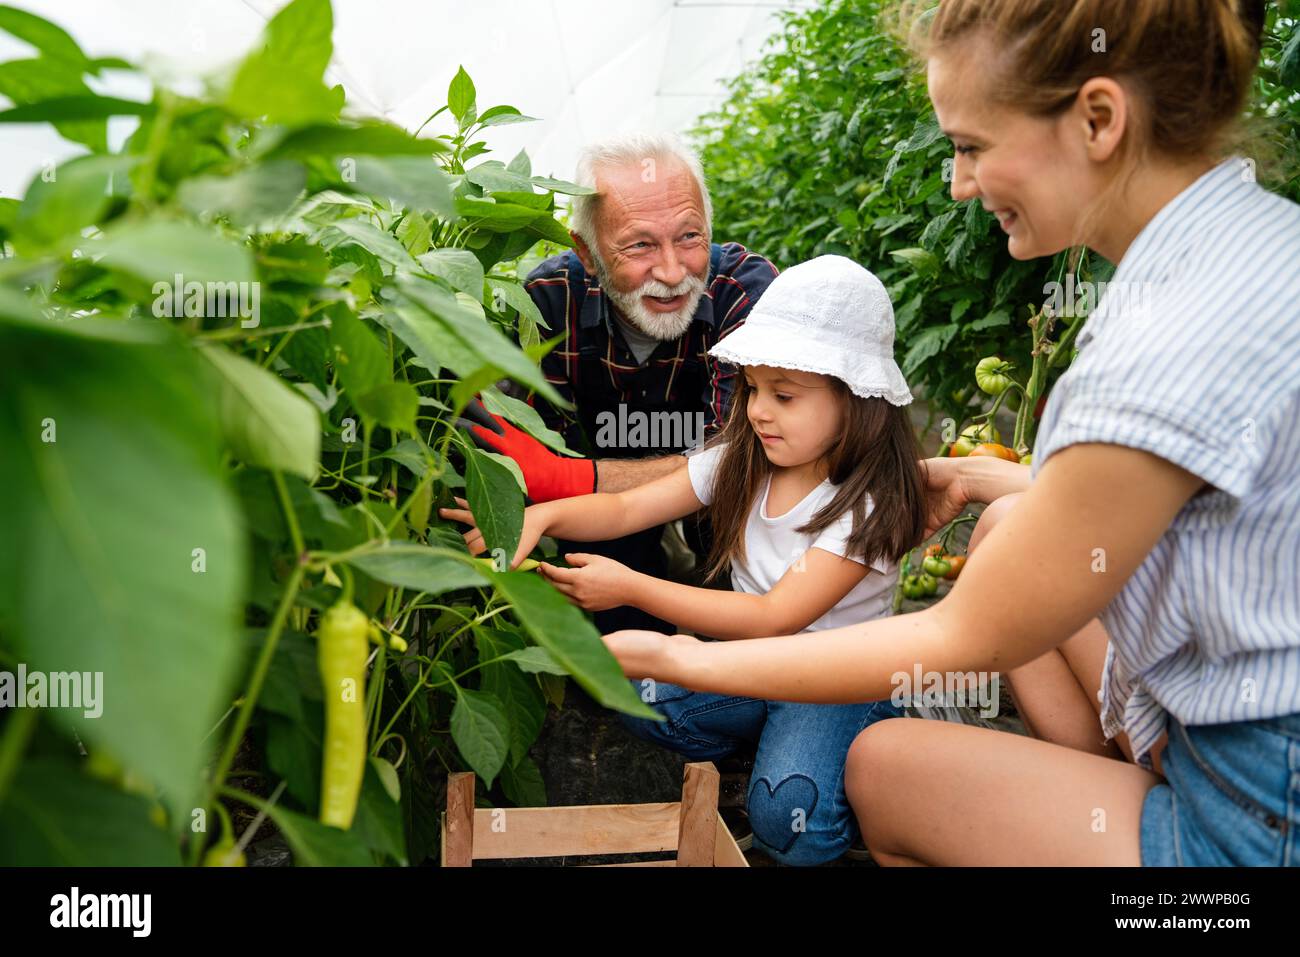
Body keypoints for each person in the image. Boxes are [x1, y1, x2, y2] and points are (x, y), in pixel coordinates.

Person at [599, 0, 1300, 866]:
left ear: (1099, 120)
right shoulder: (1262, 248)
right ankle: (1087, 780)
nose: (959, 183)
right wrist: (1000, 482)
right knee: (1011, 527)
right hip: (1258, 739)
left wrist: (682, 656)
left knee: (887, 766)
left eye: (971, 146)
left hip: (1249, 826)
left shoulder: (1156, 346)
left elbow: (955, 636)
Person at [442, 256, 928, 865]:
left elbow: (774, 616)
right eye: (752, 388)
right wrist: (539, 516)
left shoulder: (864, 504)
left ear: (857, 400)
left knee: (786, 821)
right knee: (631, 695)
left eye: (784, 395)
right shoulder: (744, 460)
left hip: (836, 683)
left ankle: (856, 765)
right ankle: (779, 739)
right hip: (756, 667)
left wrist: (632, 588)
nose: (758, 411)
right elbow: (625, 512)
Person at [462, 132, 779, 636]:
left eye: (690, 237)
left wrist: (570, 479)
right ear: (587, 254)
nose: (673, 272)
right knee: (629, 640)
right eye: (640, 246)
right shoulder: (547, 300)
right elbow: (515, 445)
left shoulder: (744, 291)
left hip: (721, 496)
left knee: (745, 568)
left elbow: (752, 455)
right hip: (610, 498)